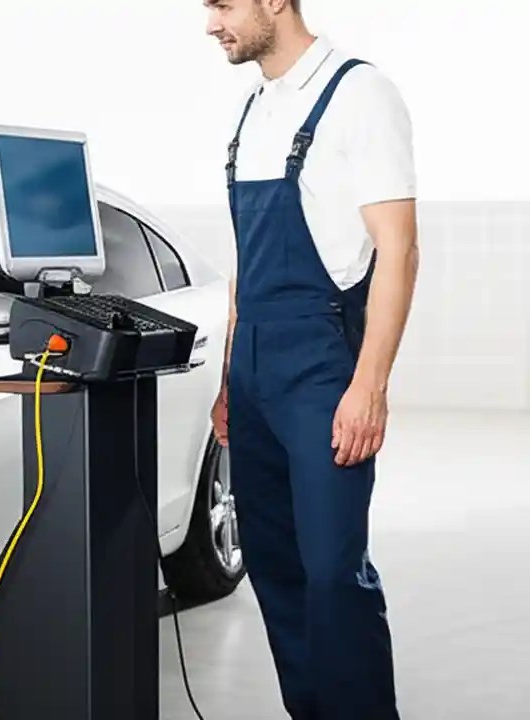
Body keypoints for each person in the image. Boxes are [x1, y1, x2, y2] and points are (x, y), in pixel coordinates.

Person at [203, 1, 419, 718]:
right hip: (253, 369)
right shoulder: (253, 110)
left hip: (321, 364)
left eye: (222, 4)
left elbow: (399, 249)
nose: (211, 24)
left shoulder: (358, 93)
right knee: (274, 566)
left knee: (331, 571)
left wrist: (369, 386)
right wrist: (229, 379)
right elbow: (245, 264)